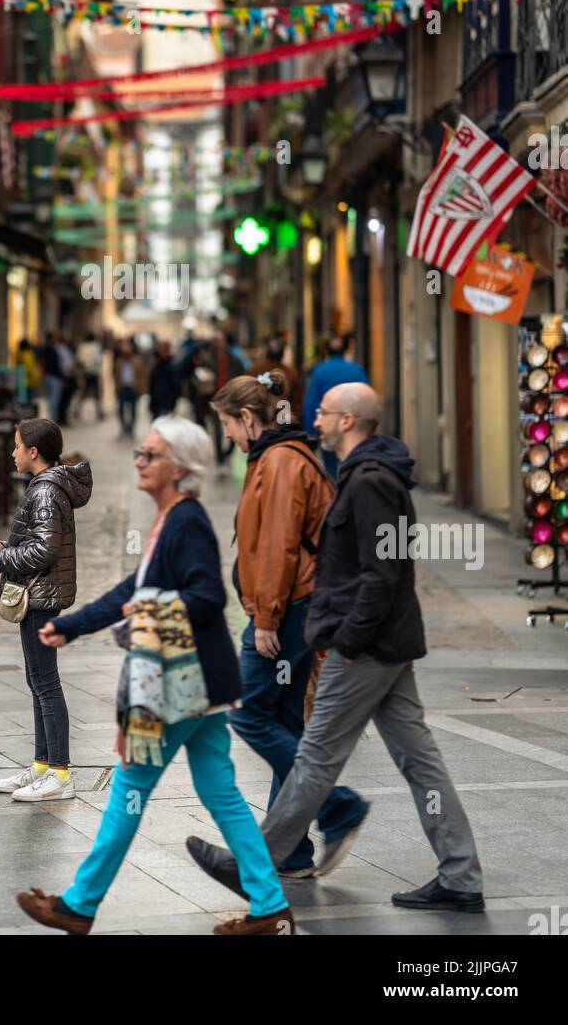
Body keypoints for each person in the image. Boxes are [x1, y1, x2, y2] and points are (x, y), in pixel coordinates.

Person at [187, 384, 486, 915]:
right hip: (383, 645)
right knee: (420, 762)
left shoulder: (370, 482)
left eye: (323, 413)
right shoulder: (364, 476)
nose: (313, 419)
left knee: (315, 757)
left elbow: (383, 574)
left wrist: (347, 640)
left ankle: (250, 862)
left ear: (347, 421)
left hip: (365, 647)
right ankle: (460, 875)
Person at [13, 417, 293, 936]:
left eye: (150, 455)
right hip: (201, 686)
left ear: (181, 469)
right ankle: (270, 906)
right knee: (223, 794)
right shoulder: (171, 517)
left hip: (179, 688)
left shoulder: (187, 521)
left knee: (129, 789)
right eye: (140, 453)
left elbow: (207, 596)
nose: (139, 461)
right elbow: (133, 588)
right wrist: (72, 626)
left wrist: (146, 610)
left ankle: (78, 905)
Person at [209, 371, 368, 876]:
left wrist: (264, 616)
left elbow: (278, 544)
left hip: (290, 607)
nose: (227, 436)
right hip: (299, 605)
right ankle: (291, 851)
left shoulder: (279, 460)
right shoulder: (278, 455)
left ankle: (337, 804)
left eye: (228, 425)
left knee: (250, 713)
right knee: (286, 721)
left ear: (249, 418)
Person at [0, 419, 92, 802]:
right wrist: (4, 547)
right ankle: (42, 766)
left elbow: (45, 550)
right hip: (41, 594)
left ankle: (59, 772)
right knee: (37, 680)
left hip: (42, 597)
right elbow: (40, 543)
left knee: (46, 682)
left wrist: (1, 559)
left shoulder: (44, 491)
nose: (13, 452)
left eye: (17, 445)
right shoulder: (47, 487)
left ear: (33, 452)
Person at [302, 334, 369, 478]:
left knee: (330, 464)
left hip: (328, 423)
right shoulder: (356, 369)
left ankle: (334, 493)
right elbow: (367, 396)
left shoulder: (319, 370)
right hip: (352, 423)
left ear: (327, 351)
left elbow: (311, 402)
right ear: (345, 350)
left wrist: (310, 429)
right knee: (352, 460)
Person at [206, 330, 248, 468]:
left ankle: (227, 453)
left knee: (233, 428)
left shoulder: (233, 359)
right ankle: (220, 459)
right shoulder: (208, 359)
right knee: (217, 430)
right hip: (214, 398)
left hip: (230, 399)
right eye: (217, 341)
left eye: (221, 341)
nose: (220, 344)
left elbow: (241, 374)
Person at [249, 333, 303, 421]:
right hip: (283, 422)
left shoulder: (255, 370)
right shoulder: (291, 373)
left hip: (258, 421)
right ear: (283, 353)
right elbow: (297, 403)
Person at [114, 338, 146, 437]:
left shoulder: (137, 361)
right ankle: (124, 425)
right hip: (122, 389)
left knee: (133, 409)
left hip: (133, 389)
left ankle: (131, 426)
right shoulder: (119, 362)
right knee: (120, 409)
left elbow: (142, 376)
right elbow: (115, 375)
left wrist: (141, 388)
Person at [76, 332, 105, 421]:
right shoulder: (96, 346)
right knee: (97, 394)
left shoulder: (82, 346)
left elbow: (78, 359)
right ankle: (99, 412)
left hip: (84, 372)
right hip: (94, 372)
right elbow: (99, 359)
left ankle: (77, 410)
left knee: (83, 392)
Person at [148, 339, 180, 418]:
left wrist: (170, 404)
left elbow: (176, 387)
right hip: (156, 404)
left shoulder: (172, 366)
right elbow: (152, 385)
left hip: (166, 406)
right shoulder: (157, 365)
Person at [40, 333, 63, 422]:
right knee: (54, 397)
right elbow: (56, 365)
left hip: (47, 376)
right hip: (53, 376)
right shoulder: (53, 350)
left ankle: (50, 416)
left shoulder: (44, 349)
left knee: (49, 397)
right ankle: (52, 417)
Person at [55, 336, 78, 426]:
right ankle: (62, 418)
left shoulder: (62, 349)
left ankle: (63, 417)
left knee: (64, 398)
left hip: (65, 376)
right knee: (64, 399)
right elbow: (66, 364)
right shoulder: (62, 350)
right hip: (64, 376)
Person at [15, 337, 43, 405]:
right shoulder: (27, 354)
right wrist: (35, 376)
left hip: (22, 380)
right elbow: (29, 368)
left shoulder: (20, 354)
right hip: (29, 380)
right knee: (29, 400)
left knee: (24, 400)